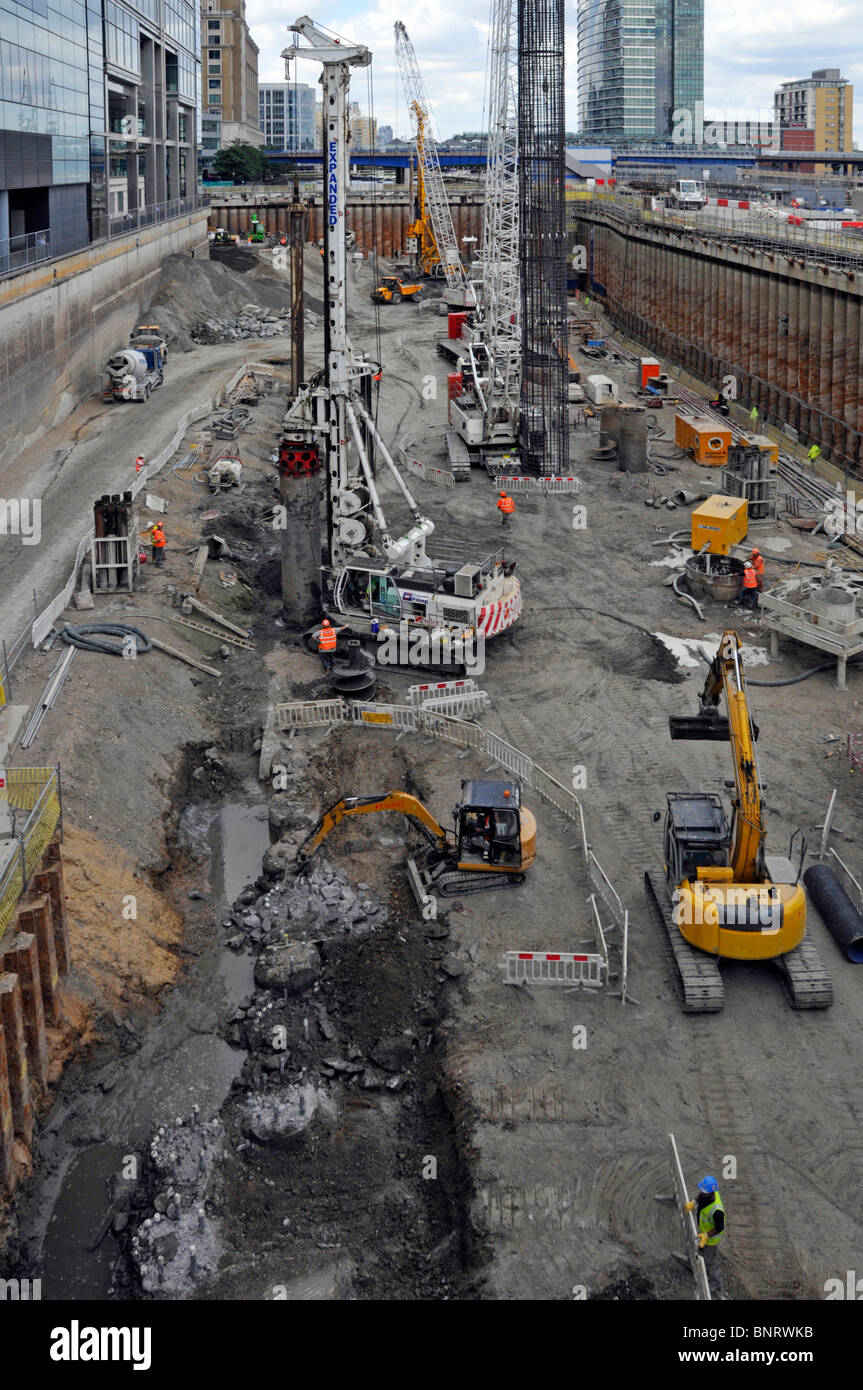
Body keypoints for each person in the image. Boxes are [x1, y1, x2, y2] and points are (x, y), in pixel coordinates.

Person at [685, 1175, 725, 1297]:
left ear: (711, 1193)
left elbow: (719, 1228)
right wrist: (694, 1201)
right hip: (703, 1231)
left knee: (710, 1262)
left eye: (704, 1192)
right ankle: (692, 1263)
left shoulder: (717, 1210)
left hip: (711, 1239)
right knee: (698, 1248)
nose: (702, 1193)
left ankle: (715, 1283)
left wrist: (706, 1236)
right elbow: (701, 1194)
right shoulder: (707, 1194)